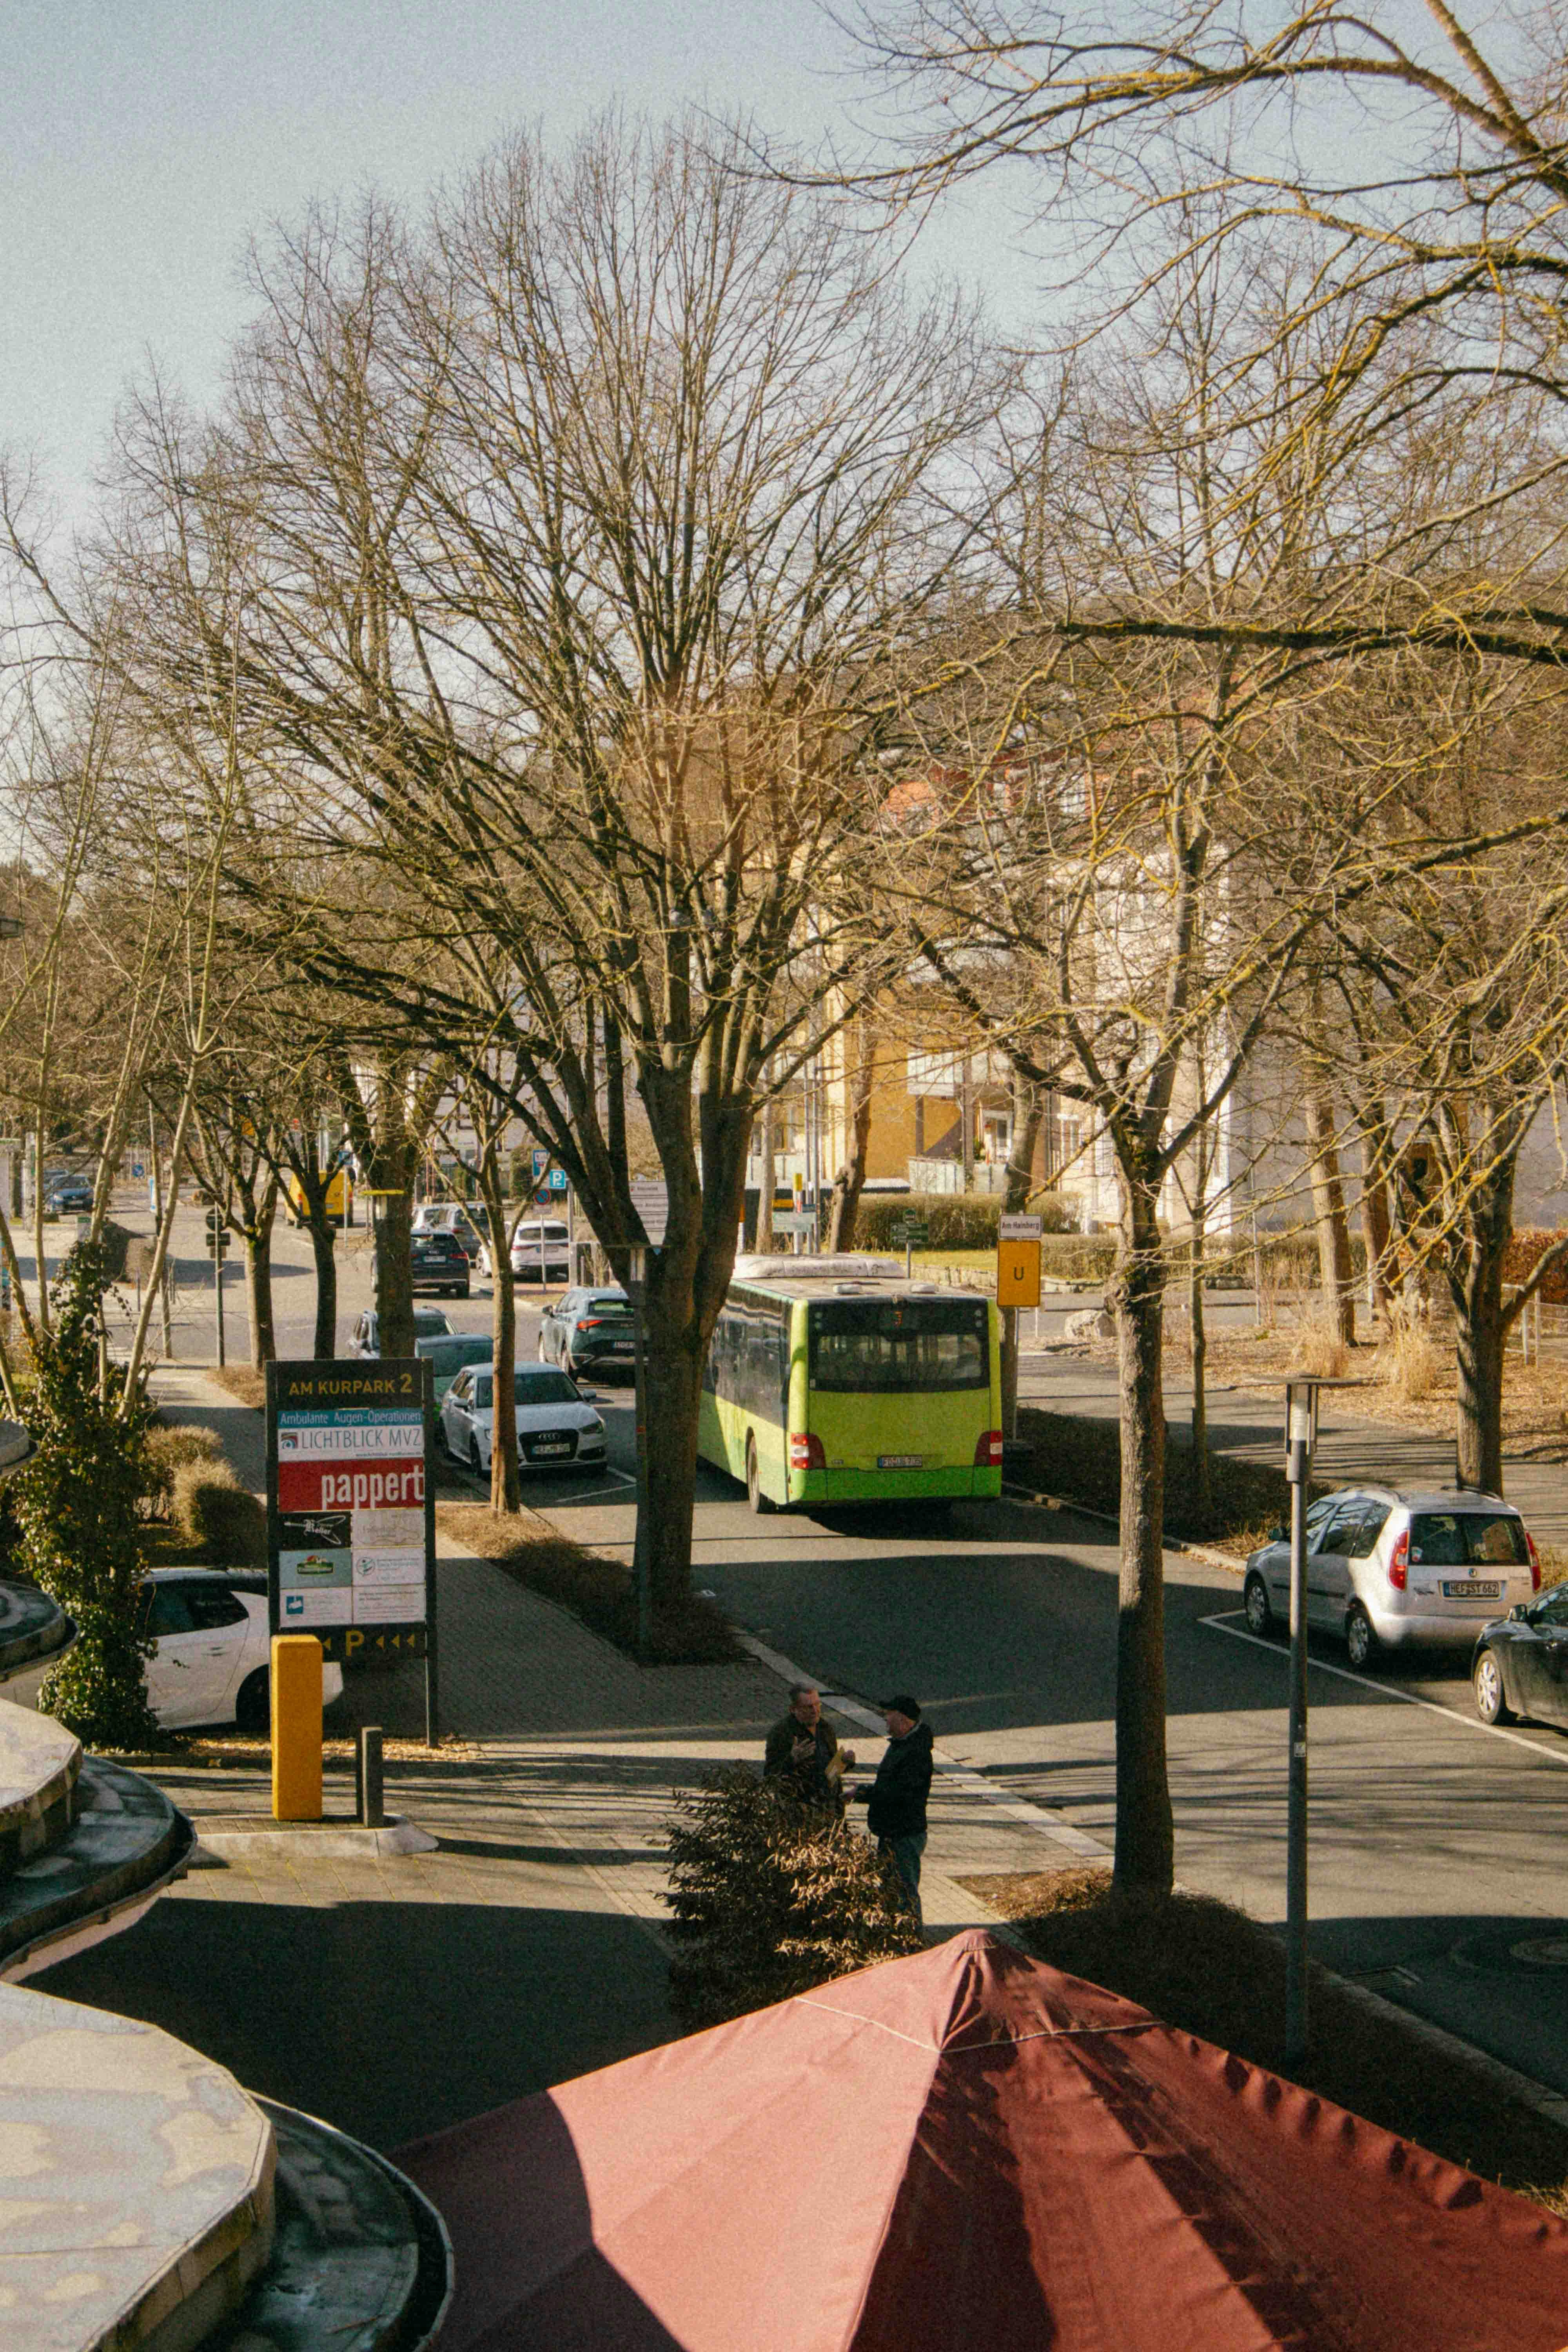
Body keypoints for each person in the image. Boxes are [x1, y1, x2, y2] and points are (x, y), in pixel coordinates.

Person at [863, 1694, 933, 1925]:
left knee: (905, 1894)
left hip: (904, 1835)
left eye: (889, 1715)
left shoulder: (915, 1753)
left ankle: (912, 1943)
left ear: (903, 1720)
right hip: (893, 1832)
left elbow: (897, 1793)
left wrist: (864, 1794)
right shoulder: (903, 1744)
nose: (885, 1720)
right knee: (892, 1891)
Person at [764, 1683, 846, 1811]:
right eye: (808, 1707)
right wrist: (792, 1760)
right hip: (798, 1810)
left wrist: (845, 1762)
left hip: (828, 1808)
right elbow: (770, 1776)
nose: (815, 1710)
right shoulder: (782, 1733)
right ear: (793, 1709)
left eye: (818, 1704)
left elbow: (832, 1774)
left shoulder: (825, 1729)